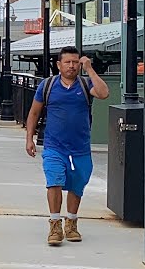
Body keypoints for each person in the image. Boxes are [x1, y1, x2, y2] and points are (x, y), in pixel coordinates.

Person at [25, 46, 110, 245]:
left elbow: (104, 93)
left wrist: (89, 69)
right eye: (67, 62)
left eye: (75, 62)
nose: (71, 66)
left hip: (80, 147)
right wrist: (29, 138)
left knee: (77, 184)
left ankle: (71, 222)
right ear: (59, 65)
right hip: (54, 146)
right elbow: (34, 113)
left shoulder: (85, 84)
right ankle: (55, 225)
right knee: (54, 181)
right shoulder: (48, 85)